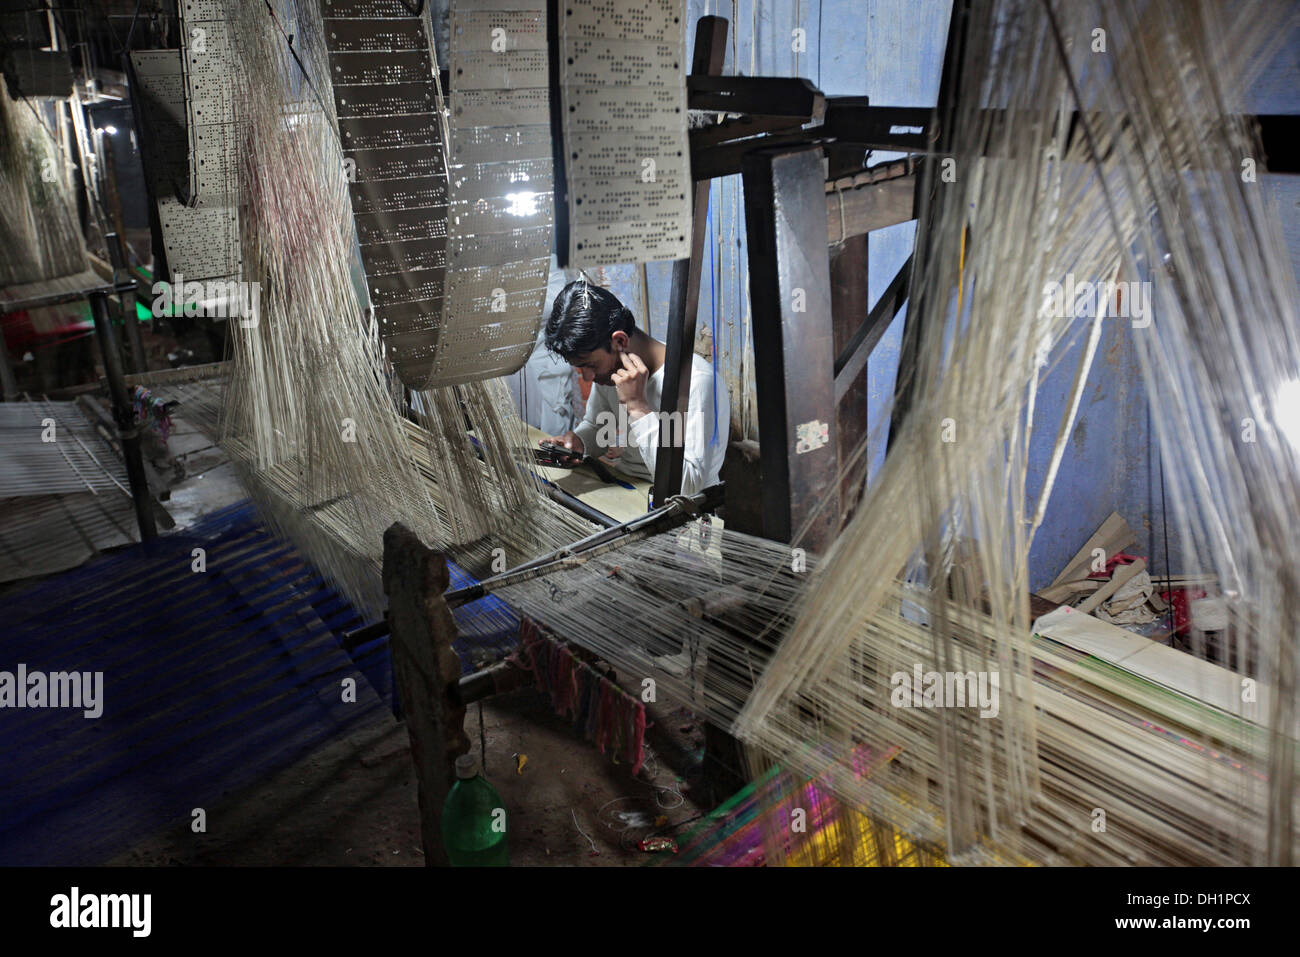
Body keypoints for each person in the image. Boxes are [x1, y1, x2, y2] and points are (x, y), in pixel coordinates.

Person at [541, 279, 728, 497]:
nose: (588, 377)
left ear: (619, 341)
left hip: (681, 507)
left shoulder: (696, 382)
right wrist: (580, 442)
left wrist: (637, 406)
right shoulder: (611, 371)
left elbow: (687, 486)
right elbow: (599, 426)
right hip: (627, 489)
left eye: (590, 365)